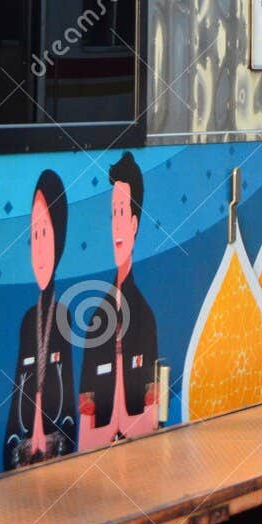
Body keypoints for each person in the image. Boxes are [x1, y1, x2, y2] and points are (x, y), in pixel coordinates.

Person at [77, 151, 159, 448]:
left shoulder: (146, 318)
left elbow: (151, 410)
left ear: (135, 223)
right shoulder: (97, 317)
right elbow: (86, 415)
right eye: (113, 213)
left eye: (122, 212)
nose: (116, 226)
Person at [3, 169, 76, 470]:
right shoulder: (27, 321)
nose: (39, 247)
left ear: (58, 239)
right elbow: (15, 400)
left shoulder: (63, 316)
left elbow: (70, 407)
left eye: (45, 232)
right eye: (34, 234)